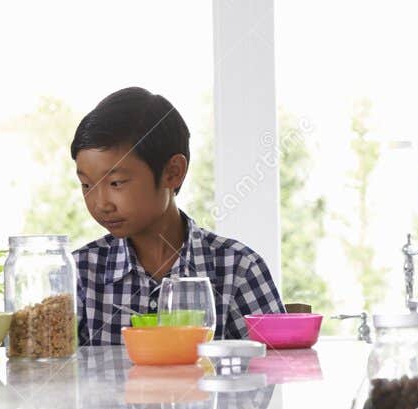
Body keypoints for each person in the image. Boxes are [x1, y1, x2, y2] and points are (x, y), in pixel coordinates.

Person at [70, 87, 283, 343]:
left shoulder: (238, 270)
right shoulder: (79, 273)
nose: (100, 203)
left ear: (173, 172)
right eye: (87, 185)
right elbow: (40, 373)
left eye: (116, 183)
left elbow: (277, 374)